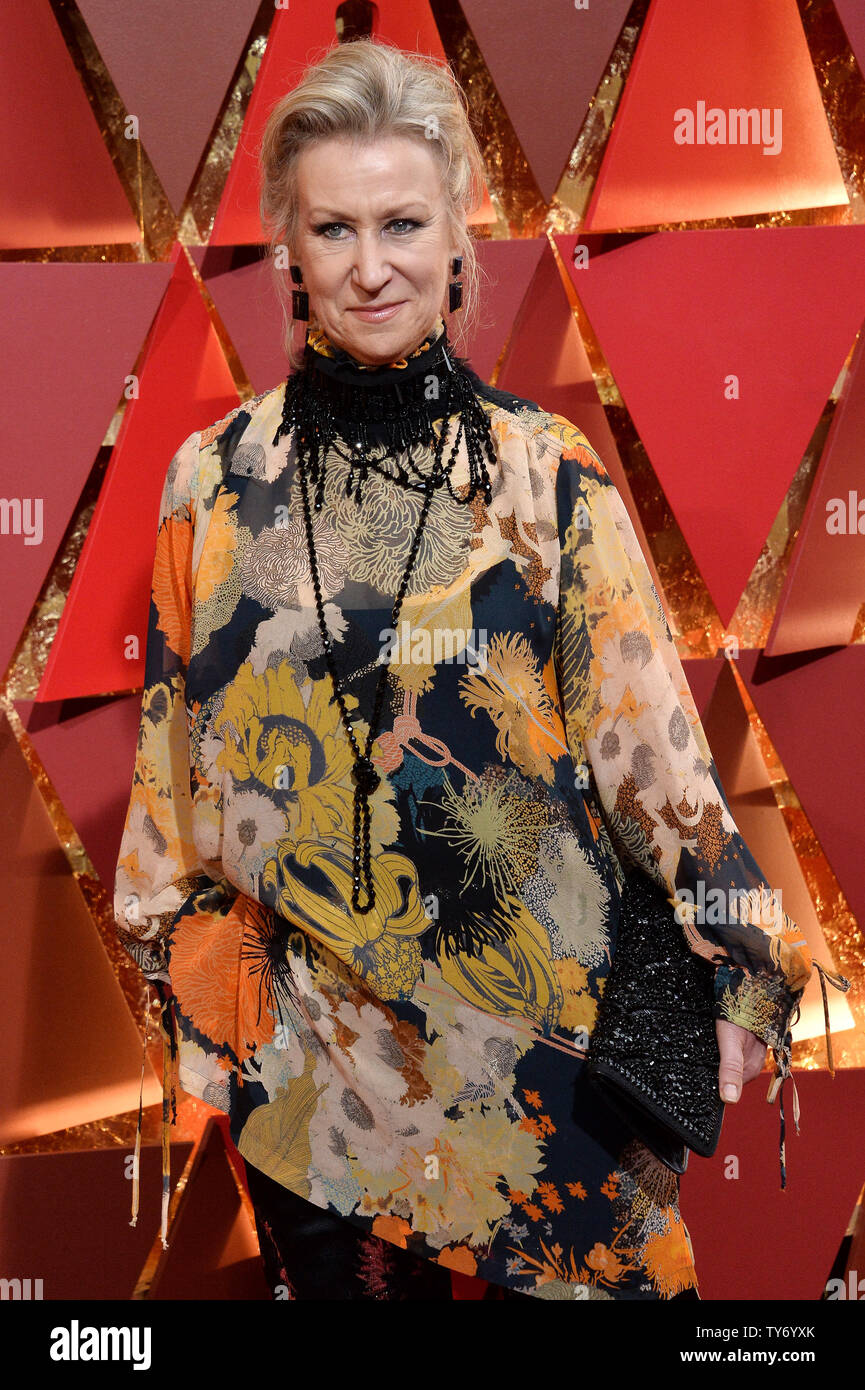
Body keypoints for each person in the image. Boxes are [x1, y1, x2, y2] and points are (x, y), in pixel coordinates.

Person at [113, 38, 824, 1301]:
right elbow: (173, 781)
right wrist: (197, 1005)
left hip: (545, 1083)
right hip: (313, 1094)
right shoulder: (209, 483)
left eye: (402, 223)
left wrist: (750, 965)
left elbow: (654, 759)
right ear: (287, 247)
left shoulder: (548, 481)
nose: (370, 265)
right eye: (334, 228)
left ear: (458, 243)